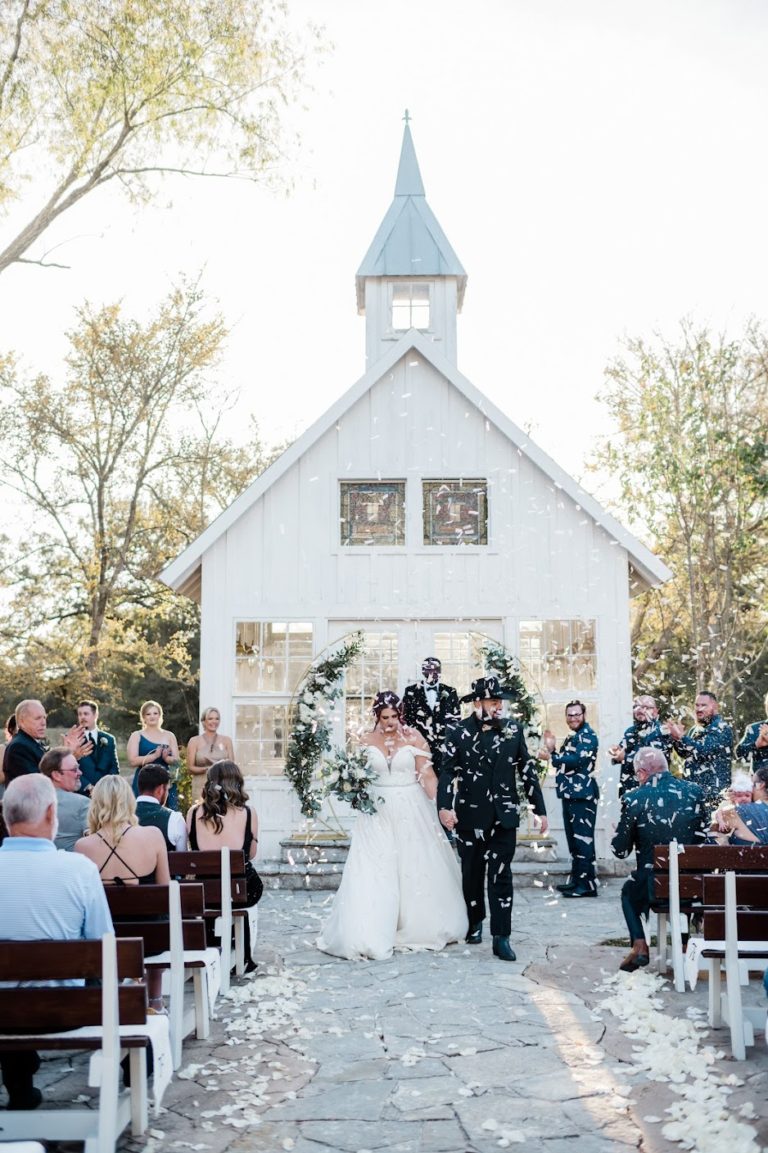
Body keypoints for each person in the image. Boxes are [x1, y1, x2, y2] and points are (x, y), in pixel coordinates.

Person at [318, 692, 466, 961]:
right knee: (375, 868)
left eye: (395, 717)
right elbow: (356, 777)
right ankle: (369, 927)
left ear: (401, 715)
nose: (390, 722)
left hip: (410, 807)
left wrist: (443, 807)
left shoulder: (414, 737)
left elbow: (429, 776)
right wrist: (352, 789)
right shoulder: (365, 740)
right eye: (385, 717)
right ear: (376, 716)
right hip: (375, 812)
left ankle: (419, 925)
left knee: (412, 864)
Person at [0, 774, 113, 1109]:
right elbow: (104, 946)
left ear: (6, 817)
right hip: (64, 1010)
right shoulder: (79, 870)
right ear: (52, 813)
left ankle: (20, 1076)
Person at [438, 676, 548, 963]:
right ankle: (475, 921)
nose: (499, 706)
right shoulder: (458, 732)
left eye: (500, 701)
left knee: (501, 875)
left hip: (503, 816)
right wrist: (444, 807)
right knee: (472, 874)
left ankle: (502, 937)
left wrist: (539, 808)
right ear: (478, 703)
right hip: (470, 816)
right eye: (493, 701)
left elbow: (526, 770)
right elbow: (448, 772)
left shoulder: (514, 729)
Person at [74, 775, 170, 1012]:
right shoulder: (153, 836)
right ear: (130, 801)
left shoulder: (82, 846)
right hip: (151, 939)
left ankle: (120, 995)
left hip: (108, 939)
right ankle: (154, 999)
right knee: (157, 918)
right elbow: (165, 891)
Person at [611, 747, 706, 972]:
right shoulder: (694, 792)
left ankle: (640, 944)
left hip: (654, 886)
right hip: (691, 886)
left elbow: (621, 851)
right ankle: (683, 943)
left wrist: (620, 834)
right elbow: (703, 837)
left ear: (642, 772)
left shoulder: (634, 797)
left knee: (629, 891)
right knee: (678, 889)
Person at [186, 760, 260, 972]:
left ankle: (213, 945)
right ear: (237, 783)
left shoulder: (193, 813)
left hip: (204, 892)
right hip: (240, 893)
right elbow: (251, 855)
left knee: (214, 889)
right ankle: (239, 953)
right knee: (243, 883)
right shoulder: (248, 813)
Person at [538, 700, 599, 898]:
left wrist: (552, 755)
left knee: (583, 841)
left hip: (583, 796)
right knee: (575, 842)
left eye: (576, 714)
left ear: (584, 715)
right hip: (571, 794)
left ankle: (587, 886)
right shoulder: (575, 736)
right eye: (570, 715)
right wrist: (554, 750)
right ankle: (577, 881)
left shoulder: (588, 736)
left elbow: (576, 761)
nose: (573, 718)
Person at [667, 691, 733, 813]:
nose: (699, 709)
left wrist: (682, 737)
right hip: (693, 792)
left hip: (713, 794)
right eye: (696, 705)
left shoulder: (722, 728)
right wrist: (676, 739)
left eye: (703, 705)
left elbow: (704, 751)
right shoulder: (695, 729)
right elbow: (686, 754)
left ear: (714, 706)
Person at [2, 699, 85, 785]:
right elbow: (40, 783)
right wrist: (68, 756)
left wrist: (67, 754)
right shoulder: (19, 747)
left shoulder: (31, 742)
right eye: (37, 718)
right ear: (22, 722)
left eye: (44, 717)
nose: (43, 723)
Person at [402, 658, 460, 777]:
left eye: (436, 670)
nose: (432, 673)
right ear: (423, 671)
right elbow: (405, 720)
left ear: (440, 672)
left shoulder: (450, 691)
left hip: (444, 750)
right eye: (428, 669)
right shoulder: (410, 691)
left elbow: (456, 720)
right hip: (418, 749)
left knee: (443, 787)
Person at [608, 695, 673, 797]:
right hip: (629, 790)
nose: (641, 710)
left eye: (646, 707)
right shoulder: (630, 731)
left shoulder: (661, 731)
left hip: (653, 791)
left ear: (656, 711)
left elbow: (652, 761)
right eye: (637, 706)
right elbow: (622, 752)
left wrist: (624, 757)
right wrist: (616, 751)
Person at [127, 700, 180, 809]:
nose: (152, 716)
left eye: (155, 713)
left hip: (165, 780)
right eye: (148, 714)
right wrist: (154, 756)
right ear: (143, 717)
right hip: (144, 780)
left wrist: (167, 758)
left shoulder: (169, 735)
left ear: (160, 715)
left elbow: (177, 761)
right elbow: (132, 761)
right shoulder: (137, 735)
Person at [39, 746, 91, 851]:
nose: (80, 773)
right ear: (57, 775)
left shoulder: (31, 801)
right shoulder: (82, 804)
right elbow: (96, 843)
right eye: (74, 769)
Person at [186, 707, 235, 803]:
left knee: (222, 814)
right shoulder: (194, 741)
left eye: (217, 718)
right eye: (210, 718)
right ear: (204, 721)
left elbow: (232, 767)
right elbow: (190, 768)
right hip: (201, 786)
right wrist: (208, 769)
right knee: (201, 814)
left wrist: (218, 766)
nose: (214, 721)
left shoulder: (227, 741)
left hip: (222, 785)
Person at [711, 765, 768, 845]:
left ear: (760, 785)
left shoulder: (736, 811)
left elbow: (711, 833)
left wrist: (729, 802)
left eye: (751, 783)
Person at [136, 765, 187, 852]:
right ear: (160, 790)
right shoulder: (175, 819)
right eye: (167, 789)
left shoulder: (122, 815)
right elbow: (183, 858)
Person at [75, 699, 119, 796]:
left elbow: (114, 767)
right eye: (80, 714)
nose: (82, 717)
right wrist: (88, 786)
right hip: (81, 792)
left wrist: (105, 787)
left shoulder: (109, 739)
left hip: (105, 793)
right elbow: (69, 767)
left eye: (86, 714)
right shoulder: (72, 738)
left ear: (95, 715)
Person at [735, 692, 768, 772]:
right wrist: (756, 744)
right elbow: (738, 753)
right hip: (758, 782)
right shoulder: (754, 729)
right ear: (765, 706)